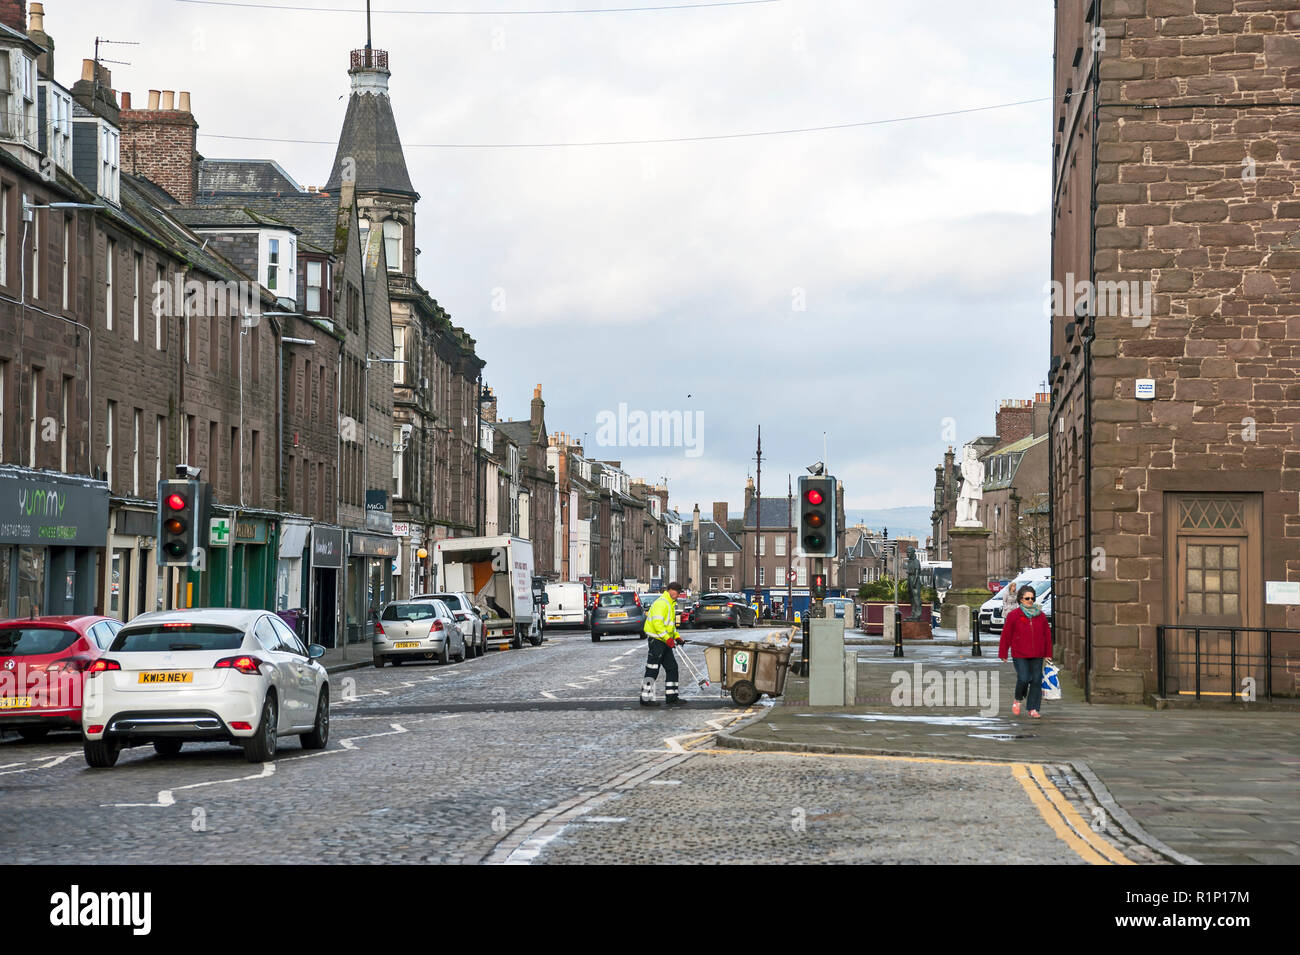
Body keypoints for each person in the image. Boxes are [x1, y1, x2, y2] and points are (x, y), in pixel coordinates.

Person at [998, 584, 1053, 718]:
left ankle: (1033, 708)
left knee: (1036, 680)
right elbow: (1006, 635)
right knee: (1024, 678)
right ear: (1020, 600)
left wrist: (1048, 653)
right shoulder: (1013, 615)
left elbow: (1047, 635)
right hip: (1020, 653)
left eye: (1032, 598)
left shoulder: (1040, 616)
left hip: (1037, 653)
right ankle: (1018, 699)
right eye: (1027, 598)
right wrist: (1003, 653)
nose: (1030, 601)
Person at [641, 581, 686, 707]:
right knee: (652, 669)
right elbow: (658, 625)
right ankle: (645, 698)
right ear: (671, 591)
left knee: (672, 668)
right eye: (677, 593)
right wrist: (668, 639)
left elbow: (669, 626)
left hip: (664, 642)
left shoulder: (670, 604)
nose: (678, 595)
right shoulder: (662, 603)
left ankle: (672, 698)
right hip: (657, 642)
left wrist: (677, 637)